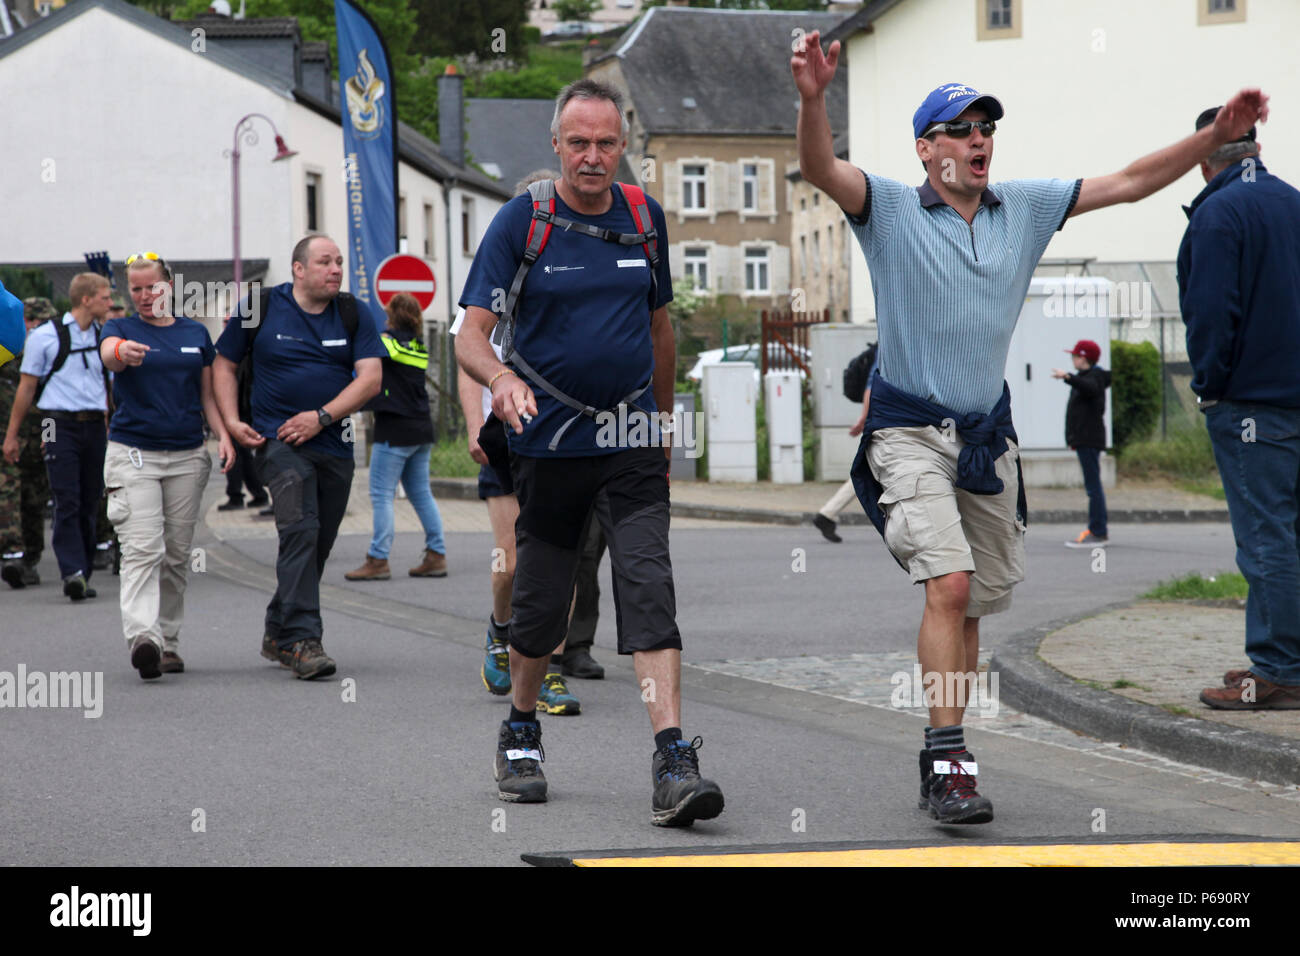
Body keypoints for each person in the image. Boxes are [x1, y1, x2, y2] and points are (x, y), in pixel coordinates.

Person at [792, 30, 1268, 823]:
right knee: (945, 583)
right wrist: (813, 100)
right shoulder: (890, 208)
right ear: (927, 148)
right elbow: (819, 169)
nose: (980, 140)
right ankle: (951, 760)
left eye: (987, 128)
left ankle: (943, 749)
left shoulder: (1028, 207)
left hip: (986, 437)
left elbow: (1125, 182)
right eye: (963, 128)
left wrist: (1211, 138)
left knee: (974, 599)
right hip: (908, 430)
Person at [456, 79, 724, 824]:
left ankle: (673, 757)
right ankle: (519, 728)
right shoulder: (524, 221)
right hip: (547, 443)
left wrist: (662, 427)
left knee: (648, 583)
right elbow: (470, 333)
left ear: (624, 146)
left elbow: (661, 330)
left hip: (630, 439)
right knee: (543, 599)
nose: (593, 157)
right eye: (579, 142)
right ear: (556, 144)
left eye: (607, 143)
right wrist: (501, 380)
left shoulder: (644, 219)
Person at [213, 235, 384, 680]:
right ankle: (302, 641)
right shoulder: (262, 305)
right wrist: (231, 421)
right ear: (298, 269)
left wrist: (321, 417)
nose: (335, 269)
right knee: (300, 530)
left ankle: (276, 629)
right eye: (325, 261)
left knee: (315, 545)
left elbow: (370, 379)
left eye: (340, 262)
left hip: (336, 445)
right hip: (278, 443)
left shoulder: (352, 312)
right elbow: (224, 364)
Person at [1177, 107, 1300, 711]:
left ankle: (1279, 670)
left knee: (1265, 538)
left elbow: (1211, 316)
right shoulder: (1294, 202)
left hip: (1253, 402)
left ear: (1205, 159)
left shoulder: (1218, 212)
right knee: (1289, 533)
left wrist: (1210, 385)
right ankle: (1284, 659)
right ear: (1255, 146)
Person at [99, 252, 235, 680]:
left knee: (176, 556)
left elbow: (208, 396)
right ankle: (144, 637)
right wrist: (122, 351)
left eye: (151, 287)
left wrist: (225, 435)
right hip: (133, 455)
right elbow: (108, 356)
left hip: (186, 454)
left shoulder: (196, 333)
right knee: (142, 549)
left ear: (169, 287)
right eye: (135, 288)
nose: (142, 295)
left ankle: (168, 642)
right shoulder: (120, 328)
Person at [4, 273, 114, 601]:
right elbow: (26, 387)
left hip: (94, 423)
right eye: (105, 297)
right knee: (65, 495)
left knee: (91, 496)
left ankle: (83, 567)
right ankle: (72, 572)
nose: (110, 303)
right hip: (55, 423)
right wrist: (11, 435)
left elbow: (108, 390)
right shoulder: (45, 337)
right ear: (86, 299)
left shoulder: (104, 336)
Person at [345, 291, 447, 580]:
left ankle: (378, 559)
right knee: (421, 493)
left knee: (381, 494)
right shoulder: (419, 346)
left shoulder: (385, 344)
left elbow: (363, 364)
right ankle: (436, 554)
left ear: (391, 315)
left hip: (395, 429)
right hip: (421, 429)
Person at [0, 297, 55, 587]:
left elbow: (54, 403)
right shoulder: (7, 351)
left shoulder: (48, 352)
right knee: (7, 494)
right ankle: (13, 555)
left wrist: (50, 438)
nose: (39, 327)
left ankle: (31, 558)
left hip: (37, 437)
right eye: (35, 321)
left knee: (34, 499)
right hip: (7, 437)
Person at [813, 342, 876, 543]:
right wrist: (864, 419)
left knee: (869, 471)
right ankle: (827, 514)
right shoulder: (890, 347)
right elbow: (871, 385)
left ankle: (827, 514)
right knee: (868, 470)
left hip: (884, 422)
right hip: (884, 424)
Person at [1052, 339, 1111, 549]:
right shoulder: (1089, 377)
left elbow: (1090, 388)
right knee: (1092, 487)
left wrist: (1068, 377)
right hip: (1084, 441)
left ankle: (1098, 531)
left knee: (1093, 488)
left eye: (1075, 356)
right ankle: (1098, 529)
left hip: (1089, 440)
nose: (1072, 359)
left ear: (1083, 358)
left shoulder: (1093, 376)